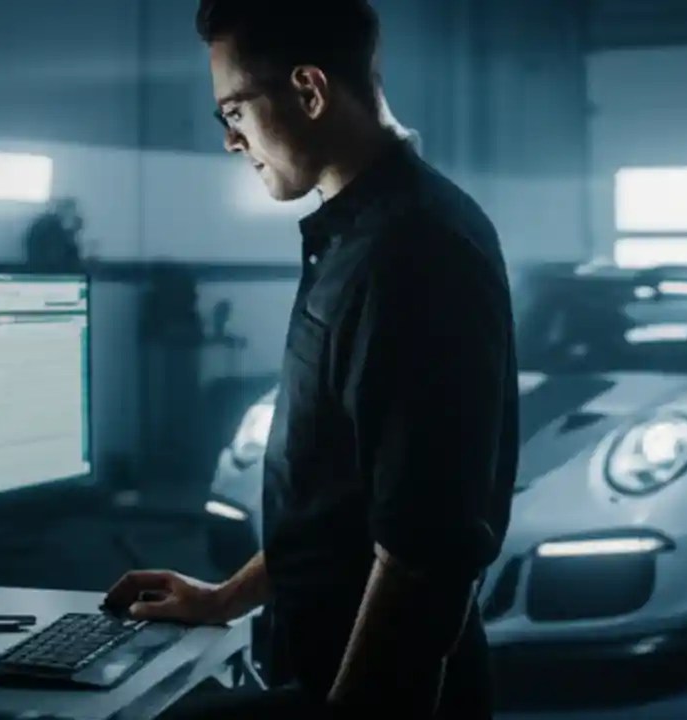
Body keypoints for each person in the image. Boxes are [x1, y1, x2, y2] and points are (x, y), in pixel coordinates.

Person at [106, 1, 519, 716]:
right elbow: (340, 501)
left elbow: (424, 555)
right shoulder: (358, 237)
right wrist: (225, 598)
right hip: (322, 668)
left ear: (309, 90)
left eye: (235, 110)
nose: (231, 141)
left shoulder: (415, 252)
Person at [23, 197, 84, 271]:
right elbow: (56, 258)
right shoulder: (49, 228)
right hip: (46, 270)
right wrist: (69, 233)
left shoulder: (46, 224)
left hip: (42, 269)